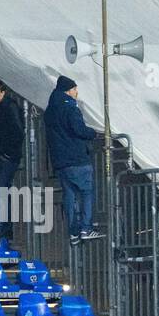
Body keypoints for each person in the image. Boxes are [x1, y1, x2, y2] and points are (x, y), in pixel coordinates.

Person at [44, 75, 103, 245]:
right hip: (77, 158)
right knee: (86, 192)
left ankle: (73, 232)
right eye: (75, 89)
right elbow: (79, 129)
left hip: (60, 161)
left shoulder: (50, 110)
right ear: (68, 91)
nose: (77, 92)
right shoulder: (70, 108)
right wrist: (93, 133)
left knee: (69, 195)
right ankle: (86, 228)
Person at [0, 80, 24, 239]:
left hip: (5, 158)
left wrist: (7, 153)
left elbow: (18, 132)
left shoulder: (9, 108)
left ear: (3, 92)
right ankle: (5, 227)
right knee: (2, 191)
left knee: (1, 191)